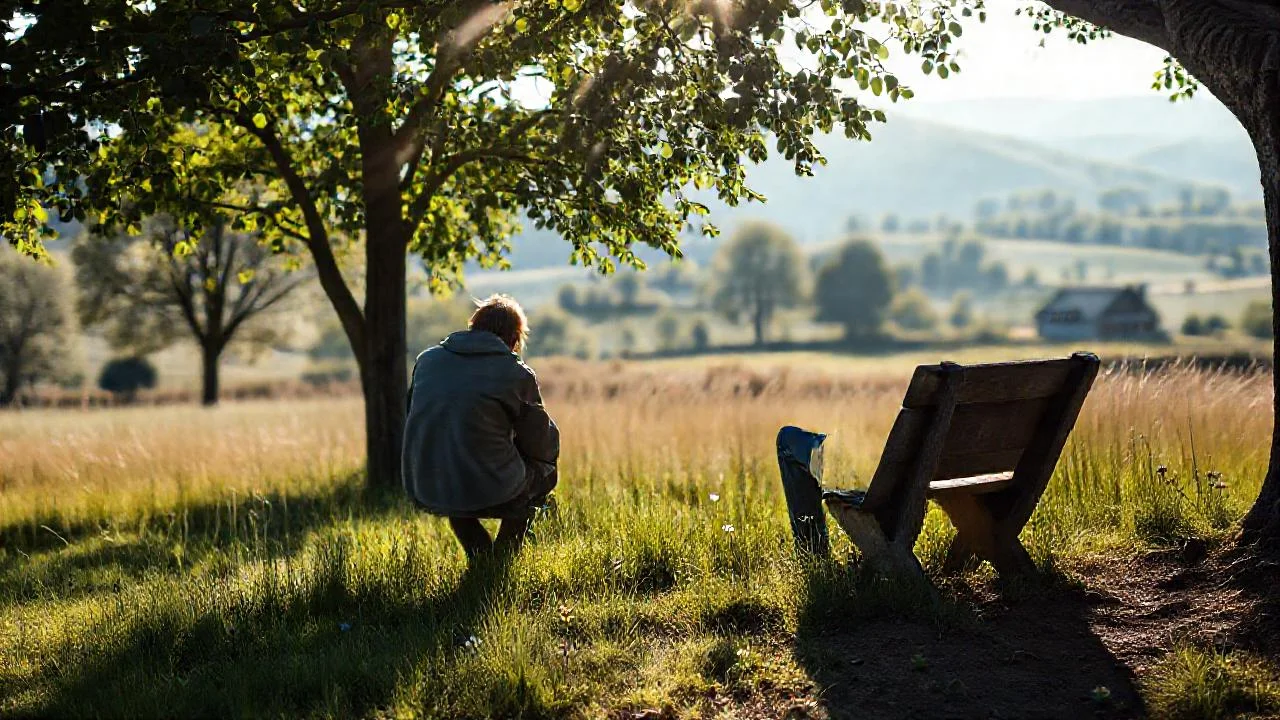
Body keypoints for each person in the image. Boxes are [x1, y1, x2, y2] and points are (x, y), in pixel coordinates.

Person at [402, 294, 559, 560]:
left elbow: (415, 415)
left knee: (458, 486)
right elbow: (540, 441)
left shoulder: (427, 361)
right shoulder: (515, 373)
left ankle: (482, 560)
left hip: (429, 482)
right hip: (490, 486)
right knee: (542, 474)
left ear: (473, 327)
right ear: (513, 339)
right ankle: (500, 562)